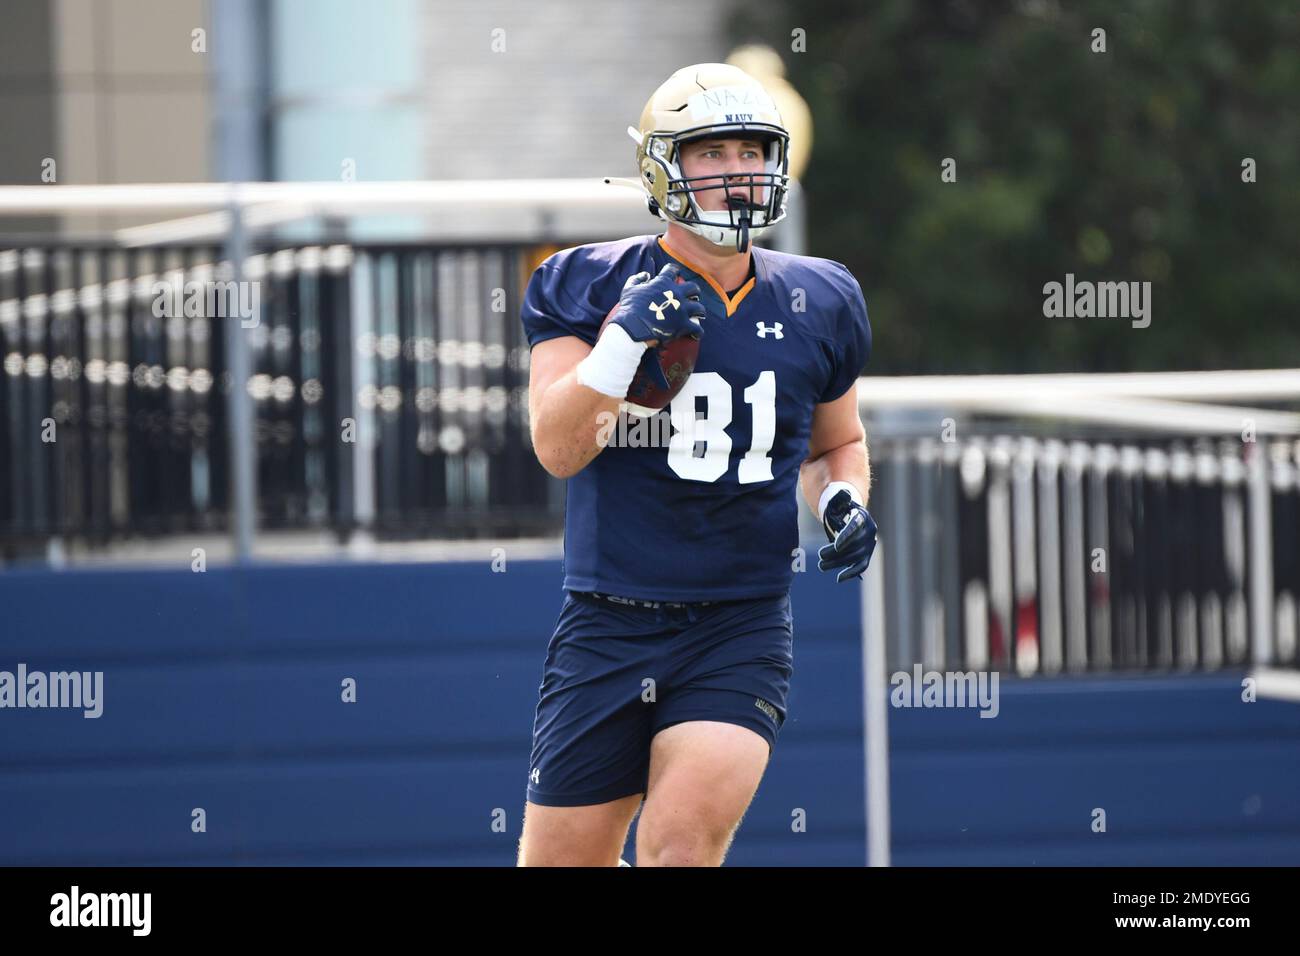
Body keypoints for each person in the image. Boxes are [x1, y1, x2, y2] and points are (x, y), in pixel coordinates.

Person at [516, 62, 877, 866]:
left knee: (678, 847)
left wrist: (841, 502)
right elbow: (557, 445)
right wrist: (620, 346)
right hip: (608, 619)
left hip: (737, 619)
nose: (737, 171)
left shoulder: (821, 298)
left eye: (752, 149)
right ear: (662, 166)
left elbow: (834, 446)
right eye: (711, 152)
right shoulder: (585, 284)